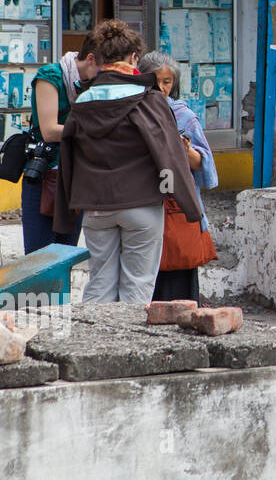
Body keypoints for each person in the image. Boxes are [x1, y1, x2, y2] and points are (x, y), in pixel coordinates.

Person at [55, 20, 201, 304]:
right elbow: (168, 154)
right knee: (138, 286)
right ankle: (128, 348)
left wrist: (68, 208)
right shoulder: (149, 99)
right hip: (142, 205)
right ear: (135, 58)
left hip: (96, 208)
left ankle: (92, 347)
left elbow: (68, 154)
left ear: (99, 58)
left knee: (100, 285)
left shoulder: (83, 100)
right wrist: (182, 198)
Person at [138, 51, 218, 303]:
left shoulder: (184, 116)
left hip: (177, 208)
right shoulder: (134, 111)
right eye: (156, 81)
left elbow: (204, 164)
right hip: (144, 204)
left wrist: (186, 151)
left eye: (167, 82)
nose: (161, 88)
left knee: (179, 273)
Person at [21, 32, 100, 253]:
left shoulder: (94, 85)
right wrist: (95, 132)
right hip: (46, 176)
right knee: (39, 257)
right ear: (91, 58)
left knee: (65, 255)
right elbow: (49, 131)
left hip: (76, 176)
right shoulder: (51, 76)